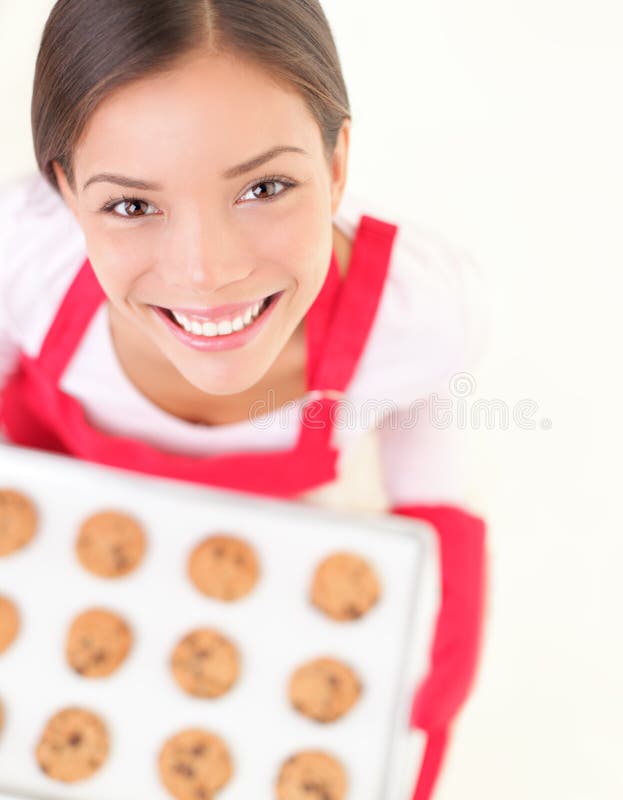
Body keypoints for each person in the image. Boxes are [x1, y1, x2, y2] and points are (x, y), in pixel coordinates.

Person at [0, 1, 490, 797]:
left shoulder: (413, 318)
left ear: (336, 164)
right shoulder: (25, 261)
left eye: (265, 186)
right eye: (131, 204)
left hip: (270, 556)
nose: (205, 272)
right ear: (63, 191)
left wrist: (439, 633)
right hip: (49, 517)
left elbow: (424, 452)